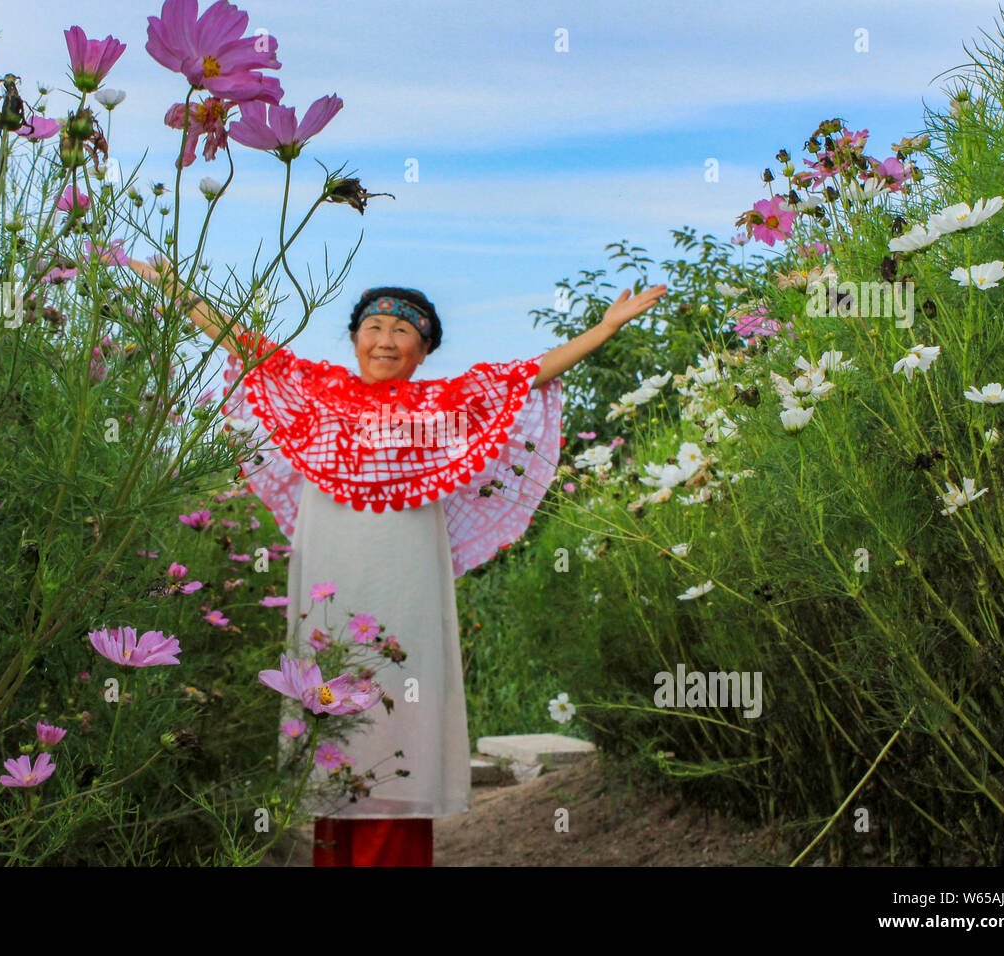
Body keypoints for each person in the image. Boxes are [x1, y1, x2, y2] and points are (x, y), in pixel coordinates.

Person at [129, 258, 666, 866]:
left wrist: (604, 329)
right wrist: (173, 286)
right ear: (356, 337)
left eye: (402, 330)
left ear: (424, 348)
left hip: (407, 569)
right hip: (330, 566)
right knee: (326, 690)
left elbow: (528, 375)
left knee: (398, 691)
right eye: (374, 326)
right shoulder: (314, 392)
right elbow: (241, 343)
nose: (386, 339)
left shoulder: (447, 409)